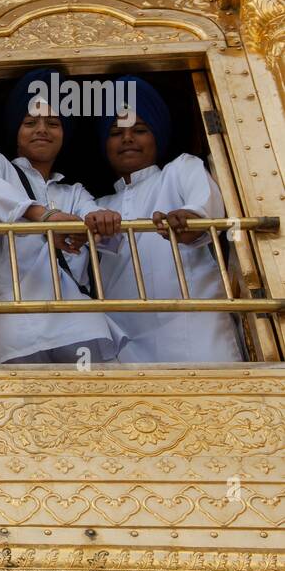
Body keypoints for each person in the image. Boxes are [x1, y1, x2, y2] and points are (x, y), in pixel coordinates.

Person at [0, 67, 125, 364]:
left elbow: (93, 217)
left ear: (64, 135)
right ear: (16, 131)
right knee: (26, 407)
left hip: (76, 318)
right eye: (30, 122)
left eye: (53, 123)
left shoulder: (73, 191)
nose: (42, 129)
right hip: (14, 318)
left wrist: (99, 221)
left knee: (94, 401)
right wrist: (46, 216)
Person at [95, 75, 244, 362]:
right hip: (123, 333)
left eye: (139, 130)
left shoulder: (180, 169)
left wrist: (187, 220)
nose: (127, 138)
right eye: (115, 132)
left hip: (192, 326)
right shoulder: (100, 205)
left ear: (157, 136)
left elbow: (205, 210)